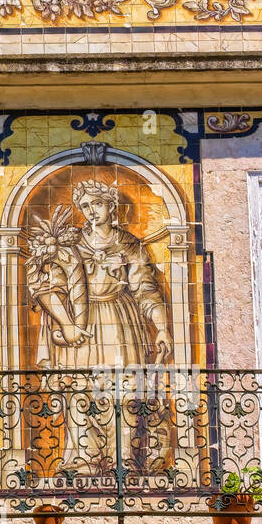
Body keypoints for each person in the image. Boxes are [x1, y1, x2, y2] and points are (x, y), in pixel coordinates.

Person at [24, 179, 174, 477]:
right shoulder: (71, 245)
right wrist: (66, 325)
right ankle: (86, 462)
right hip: (82, 323)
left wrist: (162, 327)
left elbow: (146, 289)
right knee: (80, 393)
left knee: (126, 394)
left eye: (97, 204)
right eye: (85, 206)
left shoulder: (129, 244)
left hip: (121, 320)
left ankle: (125, 461)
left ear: (110, 205)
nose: (91, 211)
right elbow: (49, 286)